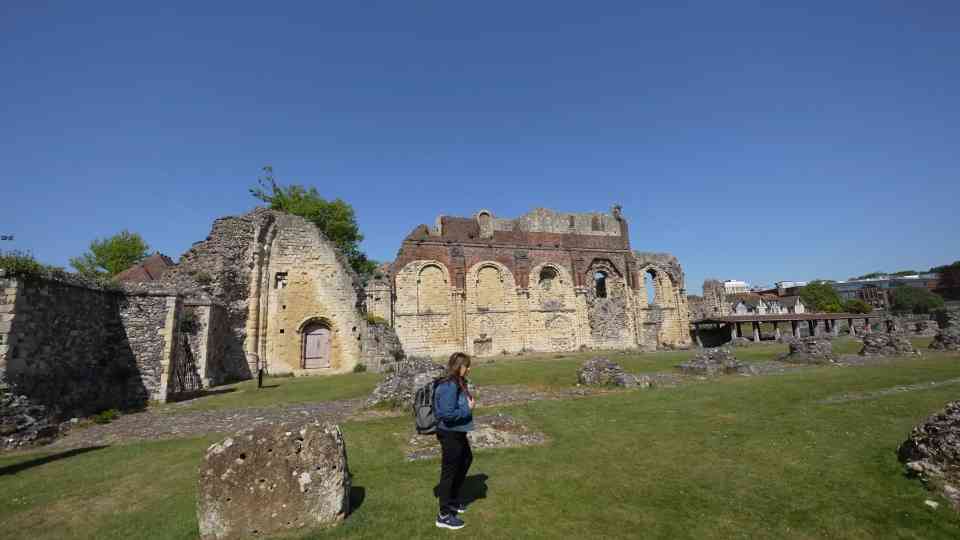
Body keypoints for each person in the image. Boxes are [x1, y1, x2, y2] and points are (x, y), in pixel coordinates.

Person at [433, 352, 475, 530]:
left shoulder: (458, 382)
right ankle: (443, 515)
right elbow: (447, 414)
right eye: (467, 365)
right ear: (459, 366)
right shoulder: (449, 385)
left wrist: (466, 403)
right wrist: (468, 409)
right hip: (449, 433)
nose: (469, 368)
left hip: (457, 432)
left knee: (466, 459)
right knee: (449, 472)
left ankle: (452, 500)